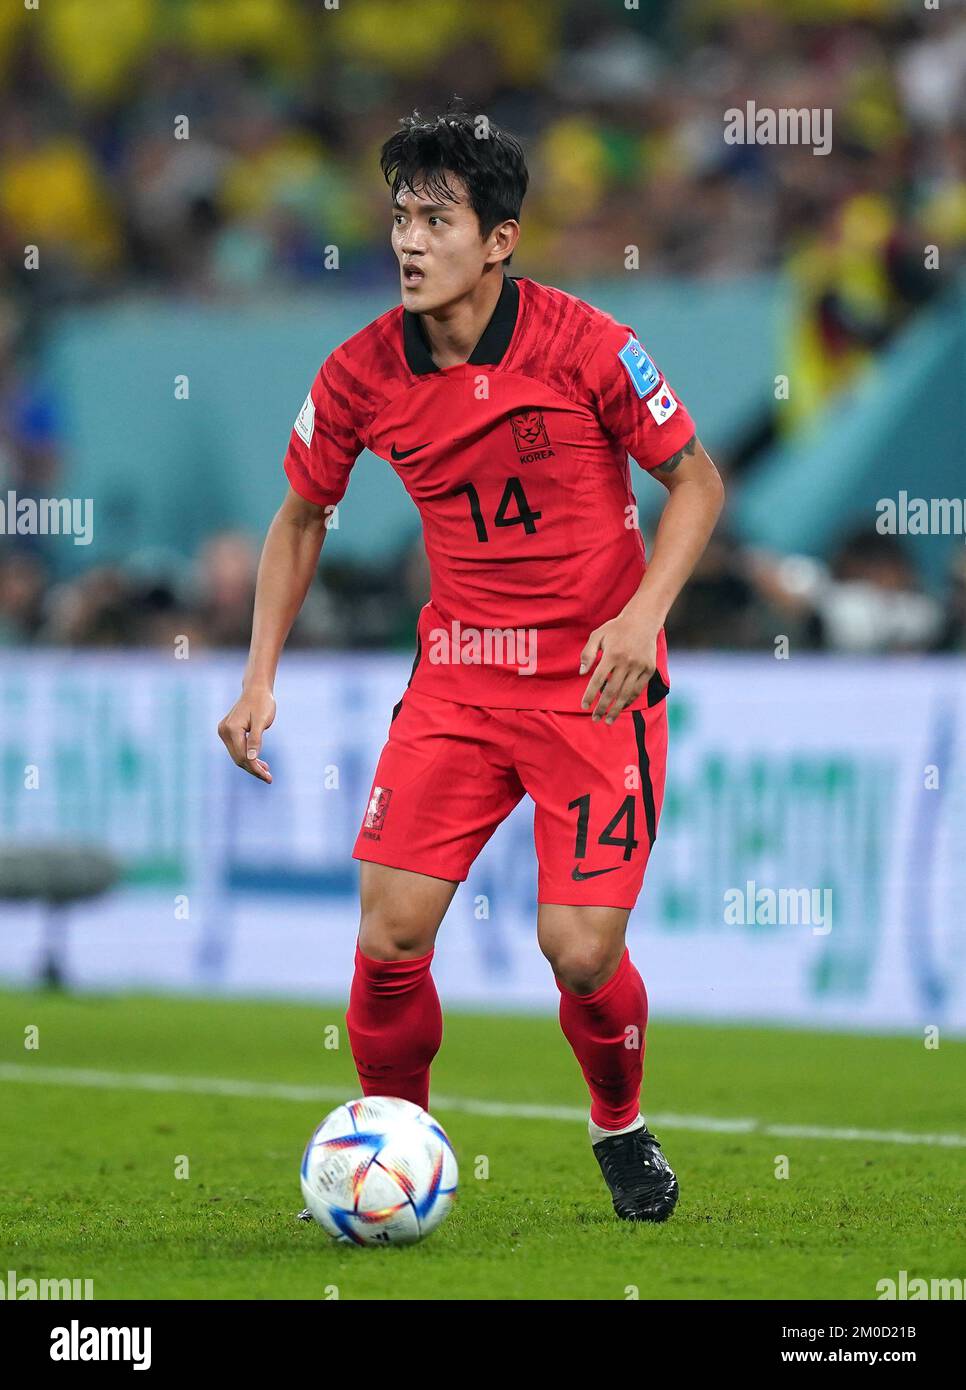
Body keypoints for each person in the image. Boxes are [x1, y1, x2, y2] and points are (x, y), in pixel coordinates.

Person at [218, 108, 724, 1224]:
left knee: (579, 952)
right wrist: (260, 675)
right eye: (401, 215)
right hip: (456, 679)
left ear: (498, 240)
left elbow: (697, 483)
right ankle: (385, 1149)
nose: (408, 240)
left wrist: (643, 618)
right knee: (391, 932)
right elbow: (302, 517)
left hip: (594, 681)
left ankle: (618, 1121)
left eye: (436, 219)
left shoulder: (587, 344)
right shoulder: (358, 372)